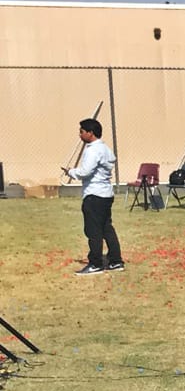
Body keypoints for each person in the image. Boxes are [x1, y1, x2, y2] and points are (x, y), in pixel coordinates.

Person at [61, 118, 123, 275]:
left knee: (93, 231)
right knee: (106, 228)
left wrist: (70, 172)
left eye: (82, 131)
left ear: (91, 133)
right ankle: (116, 261)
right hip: (106, 195)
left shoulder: (93, 150)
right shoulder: (105, 149)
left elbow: (84, 172)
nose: (80, 134)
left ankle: (95, 263)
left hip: (94, 196)